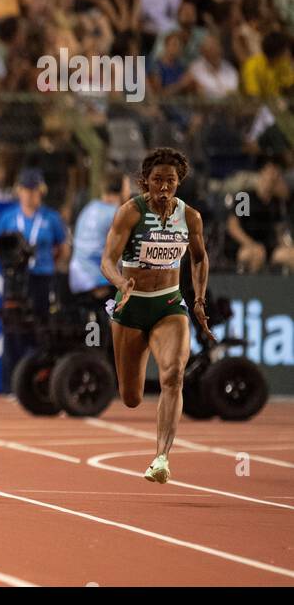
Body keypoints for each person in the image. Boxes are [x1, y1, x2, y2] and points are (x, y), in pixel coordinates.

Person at [100, 148, 213, 484]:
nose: (164, 187)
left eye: (171, 181)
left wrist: (199, 299)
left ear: (179, 183)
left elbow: (199, 258)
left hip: (169, 305)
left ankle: (161, 458)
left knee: (174, 374)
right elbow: (107, 260)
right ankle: (154, 441)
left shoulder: (190, 217)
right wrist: (121, 281)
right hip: (131, 308)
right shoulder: (129, 213)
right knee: (132, 398)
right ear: (145, 181)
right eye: (158, 180)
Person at [0, 168, 70, 392]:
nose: (29, 195)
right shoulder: (8, 217)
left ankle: (37, 383)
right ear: (19, 191)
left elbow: (62, 248)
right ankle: (10, 385)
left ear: (41, 192)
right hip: (16, 280)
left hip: (41, 279)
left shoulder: (51, 218)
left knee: (40, 328)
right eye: (26, 190)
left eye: (34, 191)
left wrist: (48, 265)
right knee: (13, 328)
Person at [69, 172, 131, 296]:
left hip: (76, 278)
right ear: (122, 190)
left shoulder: (89, 208)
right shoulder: (117, 213)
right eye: (128, 187)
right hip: (99, 282)